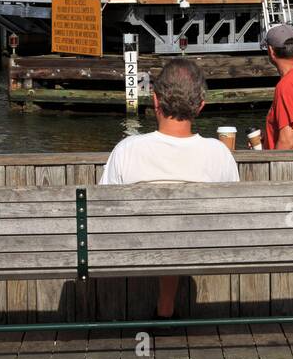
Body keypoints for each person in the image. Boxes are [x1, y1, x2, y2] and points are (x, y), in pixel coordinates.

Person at [100, 57, 238, 323]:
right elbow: (230, 215)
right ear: (200, 106)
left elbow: (104, 213)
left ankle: (162, 306)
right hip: (201, 249)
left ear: (155, 100)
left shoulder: (127, 150)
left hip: (137, 250)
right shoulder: (218, 153)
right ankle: (167, 305)